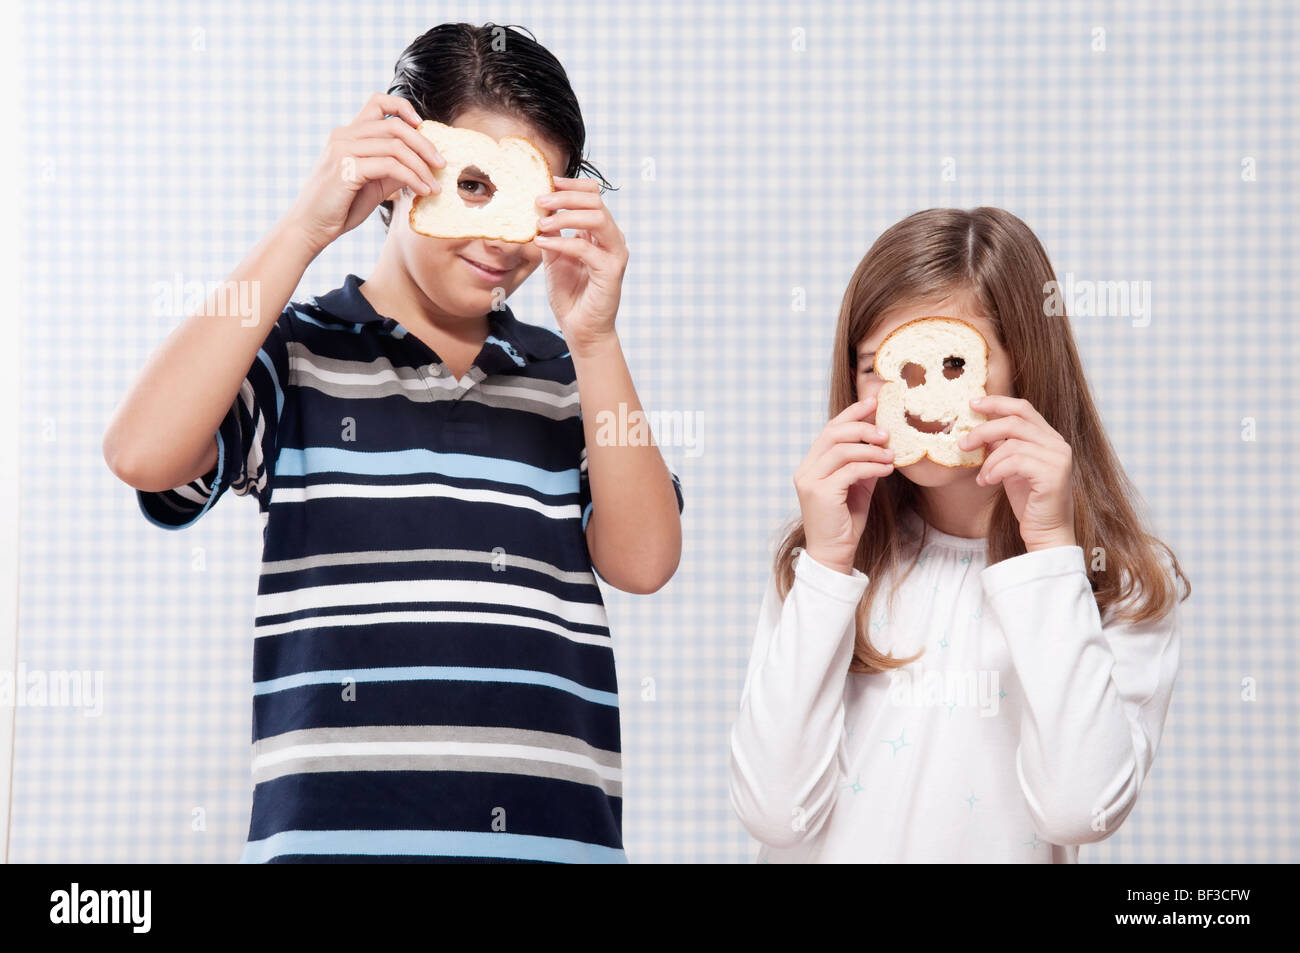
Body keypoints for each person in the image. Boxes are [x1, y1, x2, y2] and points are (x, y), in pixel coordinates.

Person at [103, 22, 683, 863]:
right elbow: (141, 452)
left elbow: (646, 560)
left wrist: (595, 340)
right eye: (474, 186)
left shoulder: (571, 375)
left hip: (555, 846)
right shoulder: (293, 352)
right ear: (394, 169)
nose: (507, 240)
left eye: (537, 199)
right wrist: (305, 225)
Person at [728, 207, 1189, 863]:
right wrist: (827, 568)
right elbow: (773, 814)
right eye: (883, 367)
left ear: (1023, 369)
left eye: (952, 362)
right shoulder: (827, 567)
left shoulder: (1116, 582)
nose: (919, 393)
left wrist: (1052, 548)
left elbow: (1079, 807)